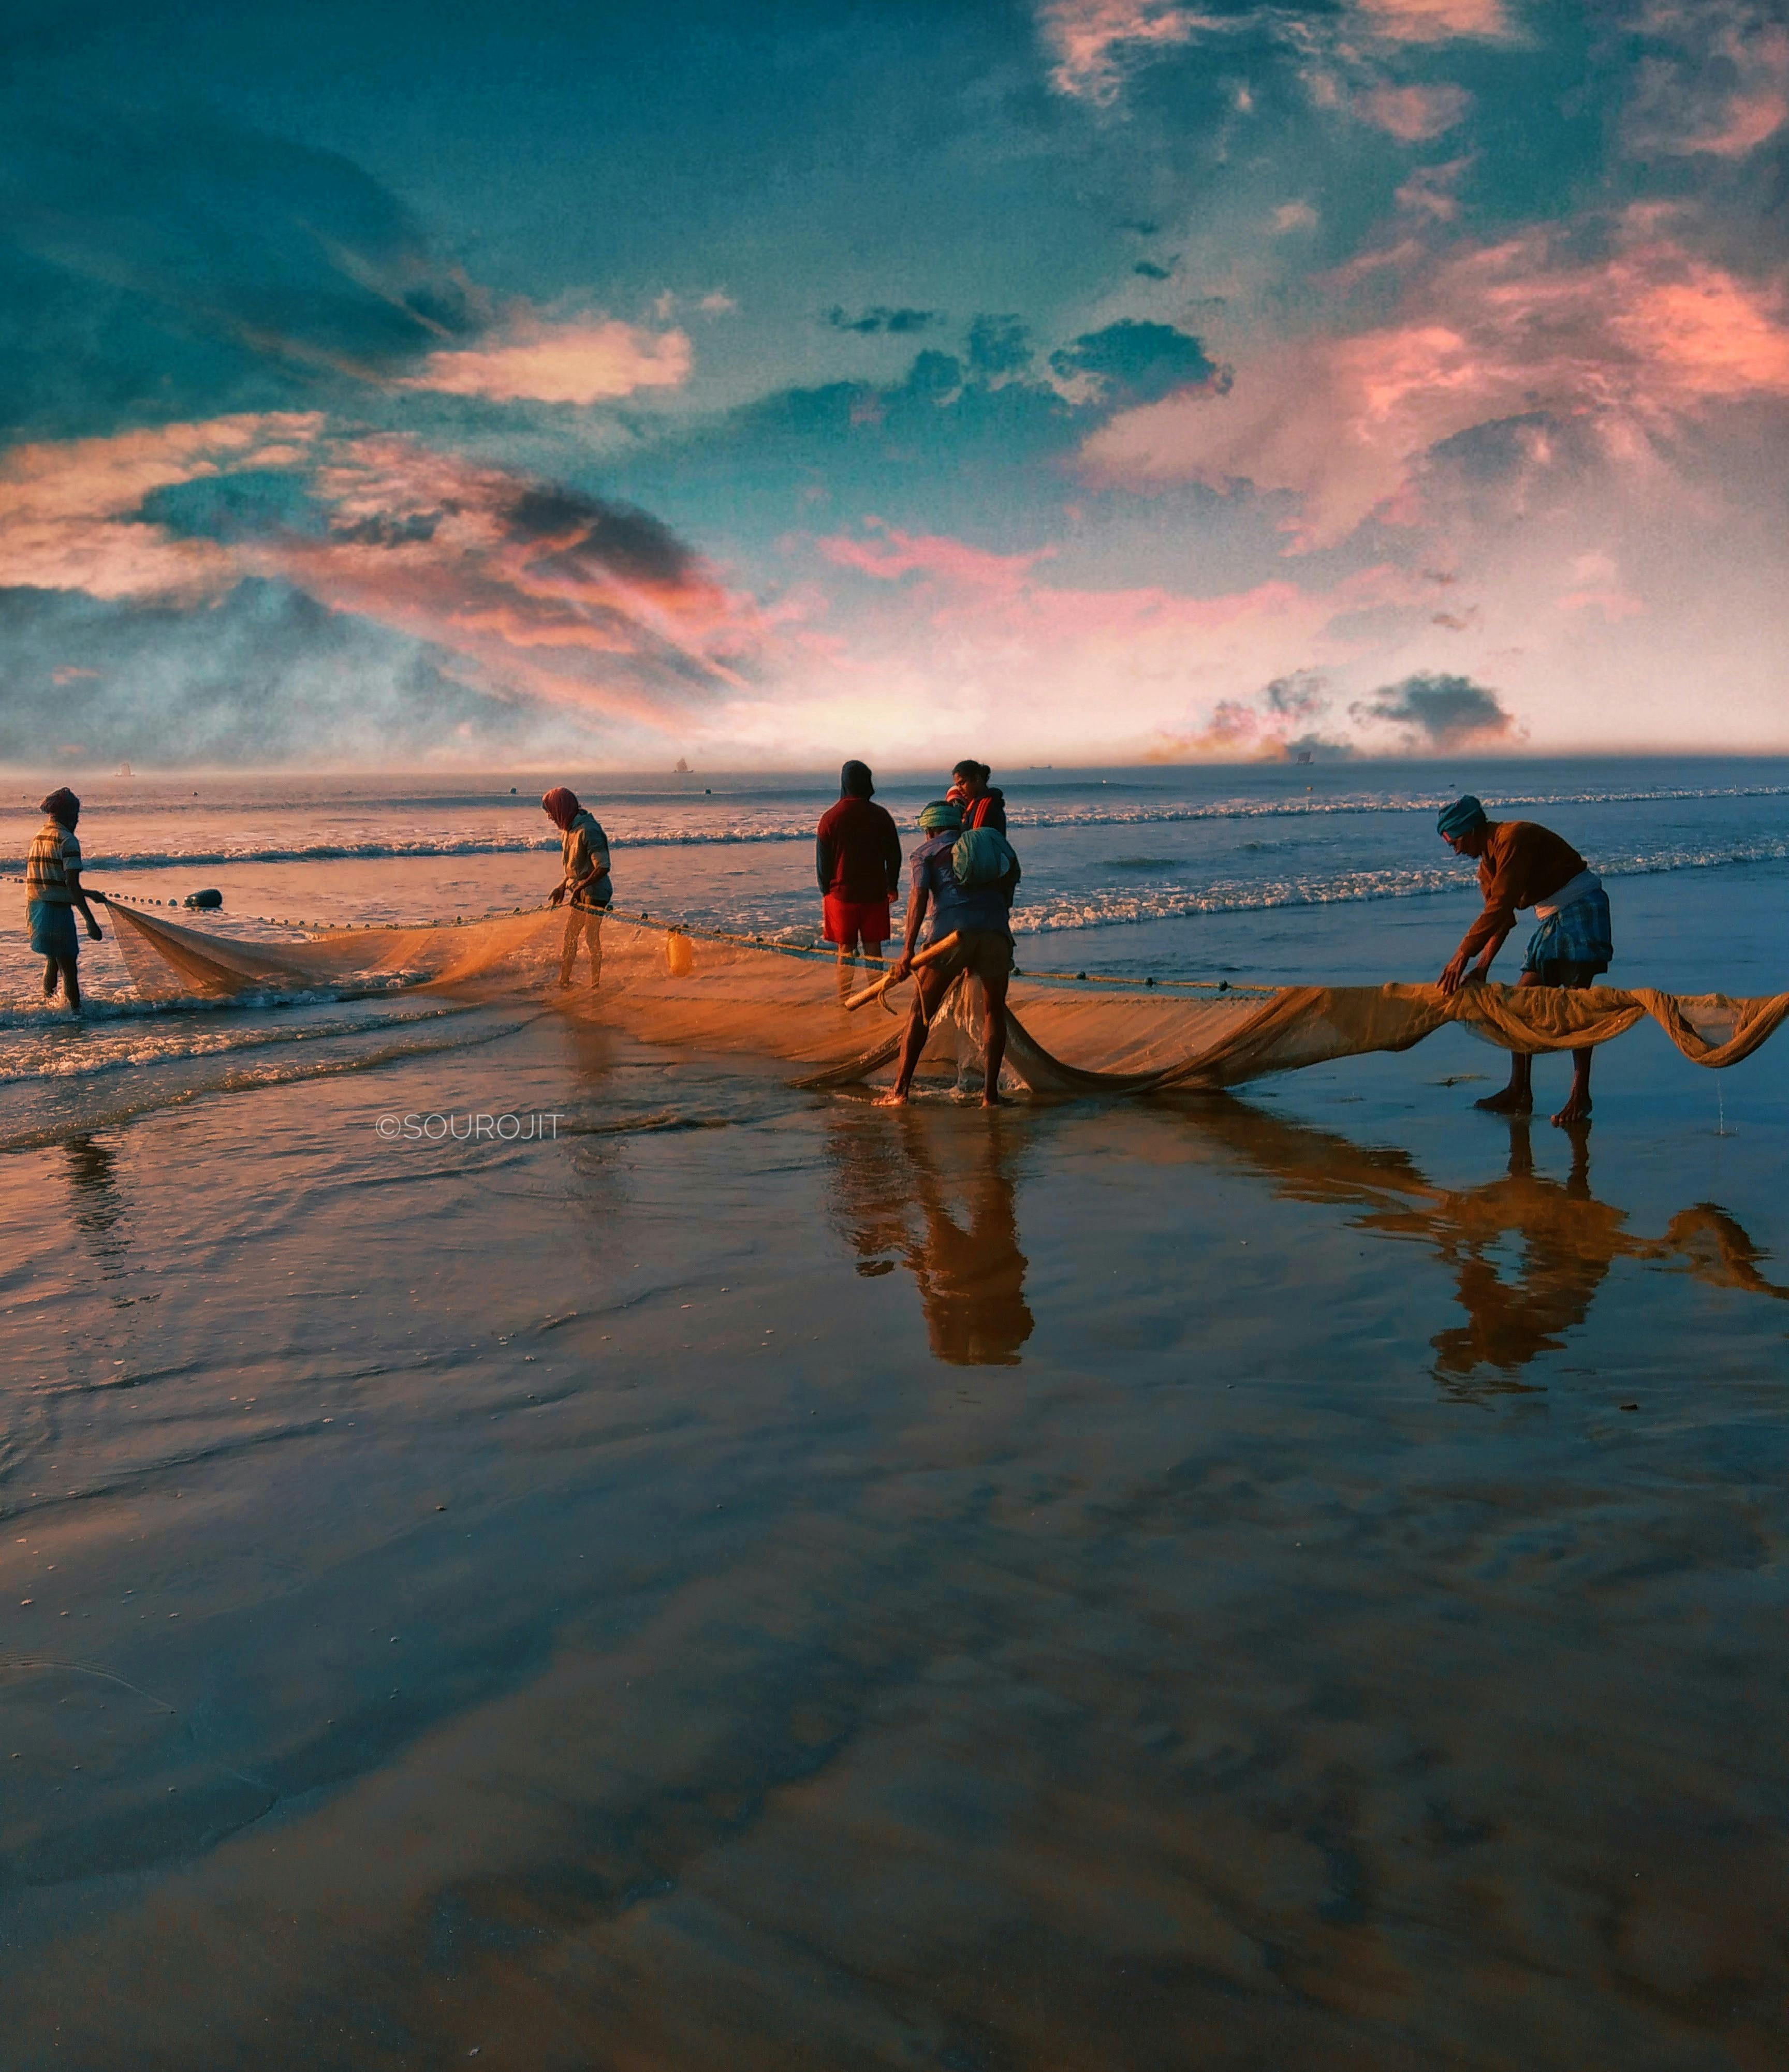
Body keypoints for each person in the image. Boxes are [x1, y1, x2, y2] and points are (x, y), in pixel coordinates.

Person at [1434, 795, 1612, 1126]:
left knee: (1577, 1004)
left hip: (1582, 908)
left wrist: (1462, 954)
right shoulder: (1486, 869)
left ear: (1471, 830)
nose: (1456, 851)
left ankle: (1580, 1094)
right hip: (1552, 920)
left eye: (1456, 842)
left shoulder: (1512, 839)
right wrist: (1482, 967)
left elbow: (1500, 907)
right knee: (1520, 1003)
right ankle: (1520, 1090)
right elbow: (1502, 920)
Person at [876, 799, 1020, 1109]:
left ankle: (900, 1091)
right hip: (996, 934)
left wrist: (907, 952)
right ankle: (990, 1097)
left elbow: (918, 901)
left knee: (920, 1011)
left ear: (930, 830)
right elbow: (1009, 884)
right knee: (993, 1011)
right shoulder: (987, 846)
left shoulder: (925, 853)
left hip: (950, 938)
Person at [25, 786, 104, 1018]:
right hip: (57, 913)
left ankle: (48, 1011)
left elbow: (53, 881)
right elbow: (71, 884)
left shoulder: (40, 836)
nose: (77, 820)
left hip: (36, 908)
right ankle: (76, 1017)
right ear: (69, 815)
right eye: (76, 815)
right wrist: (91, 922)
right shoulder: (68, 841)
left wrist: (89, 894)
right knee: (69, 968)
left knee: (53, 960)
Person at [816, 760, 902, 961]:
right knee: (874, 951)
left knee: (845, 951)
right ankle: (875, 993)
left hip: (842, 895)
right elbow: (894, 855)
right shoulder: (881, 816)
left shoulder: (830, 818)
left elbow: (823, 862)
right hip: (875, 893)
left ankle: (845, 994)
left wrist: (825, 890)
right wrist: (892, 885)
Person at [542, 786, 611, 986]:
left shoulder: (589, 830)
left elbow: (603, 867)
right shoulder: (568, 830)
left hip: (597, 891)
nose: (549, 817)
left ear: (562, 809)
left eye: (551, 812)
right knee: (570, 936)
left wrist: (581, 887)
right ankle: (564, 980)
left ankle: (595, 983)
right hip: (579, 890)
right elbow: (576, 869)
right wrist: (563, 886)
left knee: (591, 937)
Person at [948, 759, 1006, 832]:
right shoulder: (975, 803)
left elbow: (975, 839)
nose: (960, 789)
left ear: (976, 779)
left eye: (962, 783)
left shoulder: (985, 805)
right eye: (957, 785)